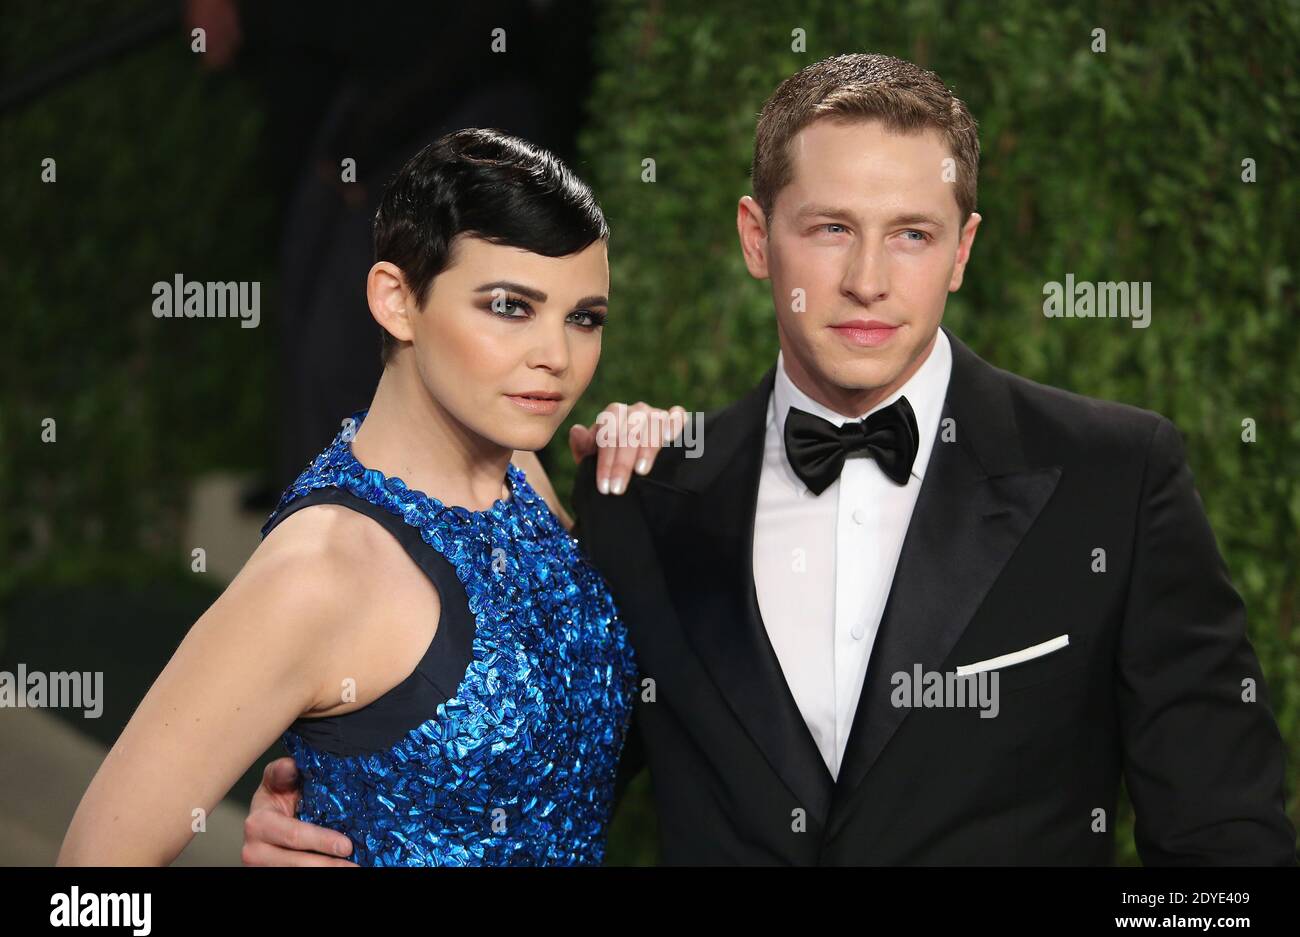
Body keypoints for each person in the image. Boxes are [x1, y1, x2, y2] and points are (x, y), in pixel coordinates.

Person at [241, 54, 1297, 866]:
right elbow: (536, 791)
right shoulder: (641, 497)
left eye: (913, 234)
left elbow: (1223, 845)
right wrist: (343, 817)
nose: (870, 279)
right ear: (758, 238)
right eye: (830, 228)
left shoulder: (1116, 478)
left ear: (964, 249)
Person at [58, 128, 640, 866]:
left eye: (584, 318)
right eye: (509, 307)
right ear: (397, 301)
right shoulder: (320, 571)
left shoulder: (522, 471)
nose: (556, 356)